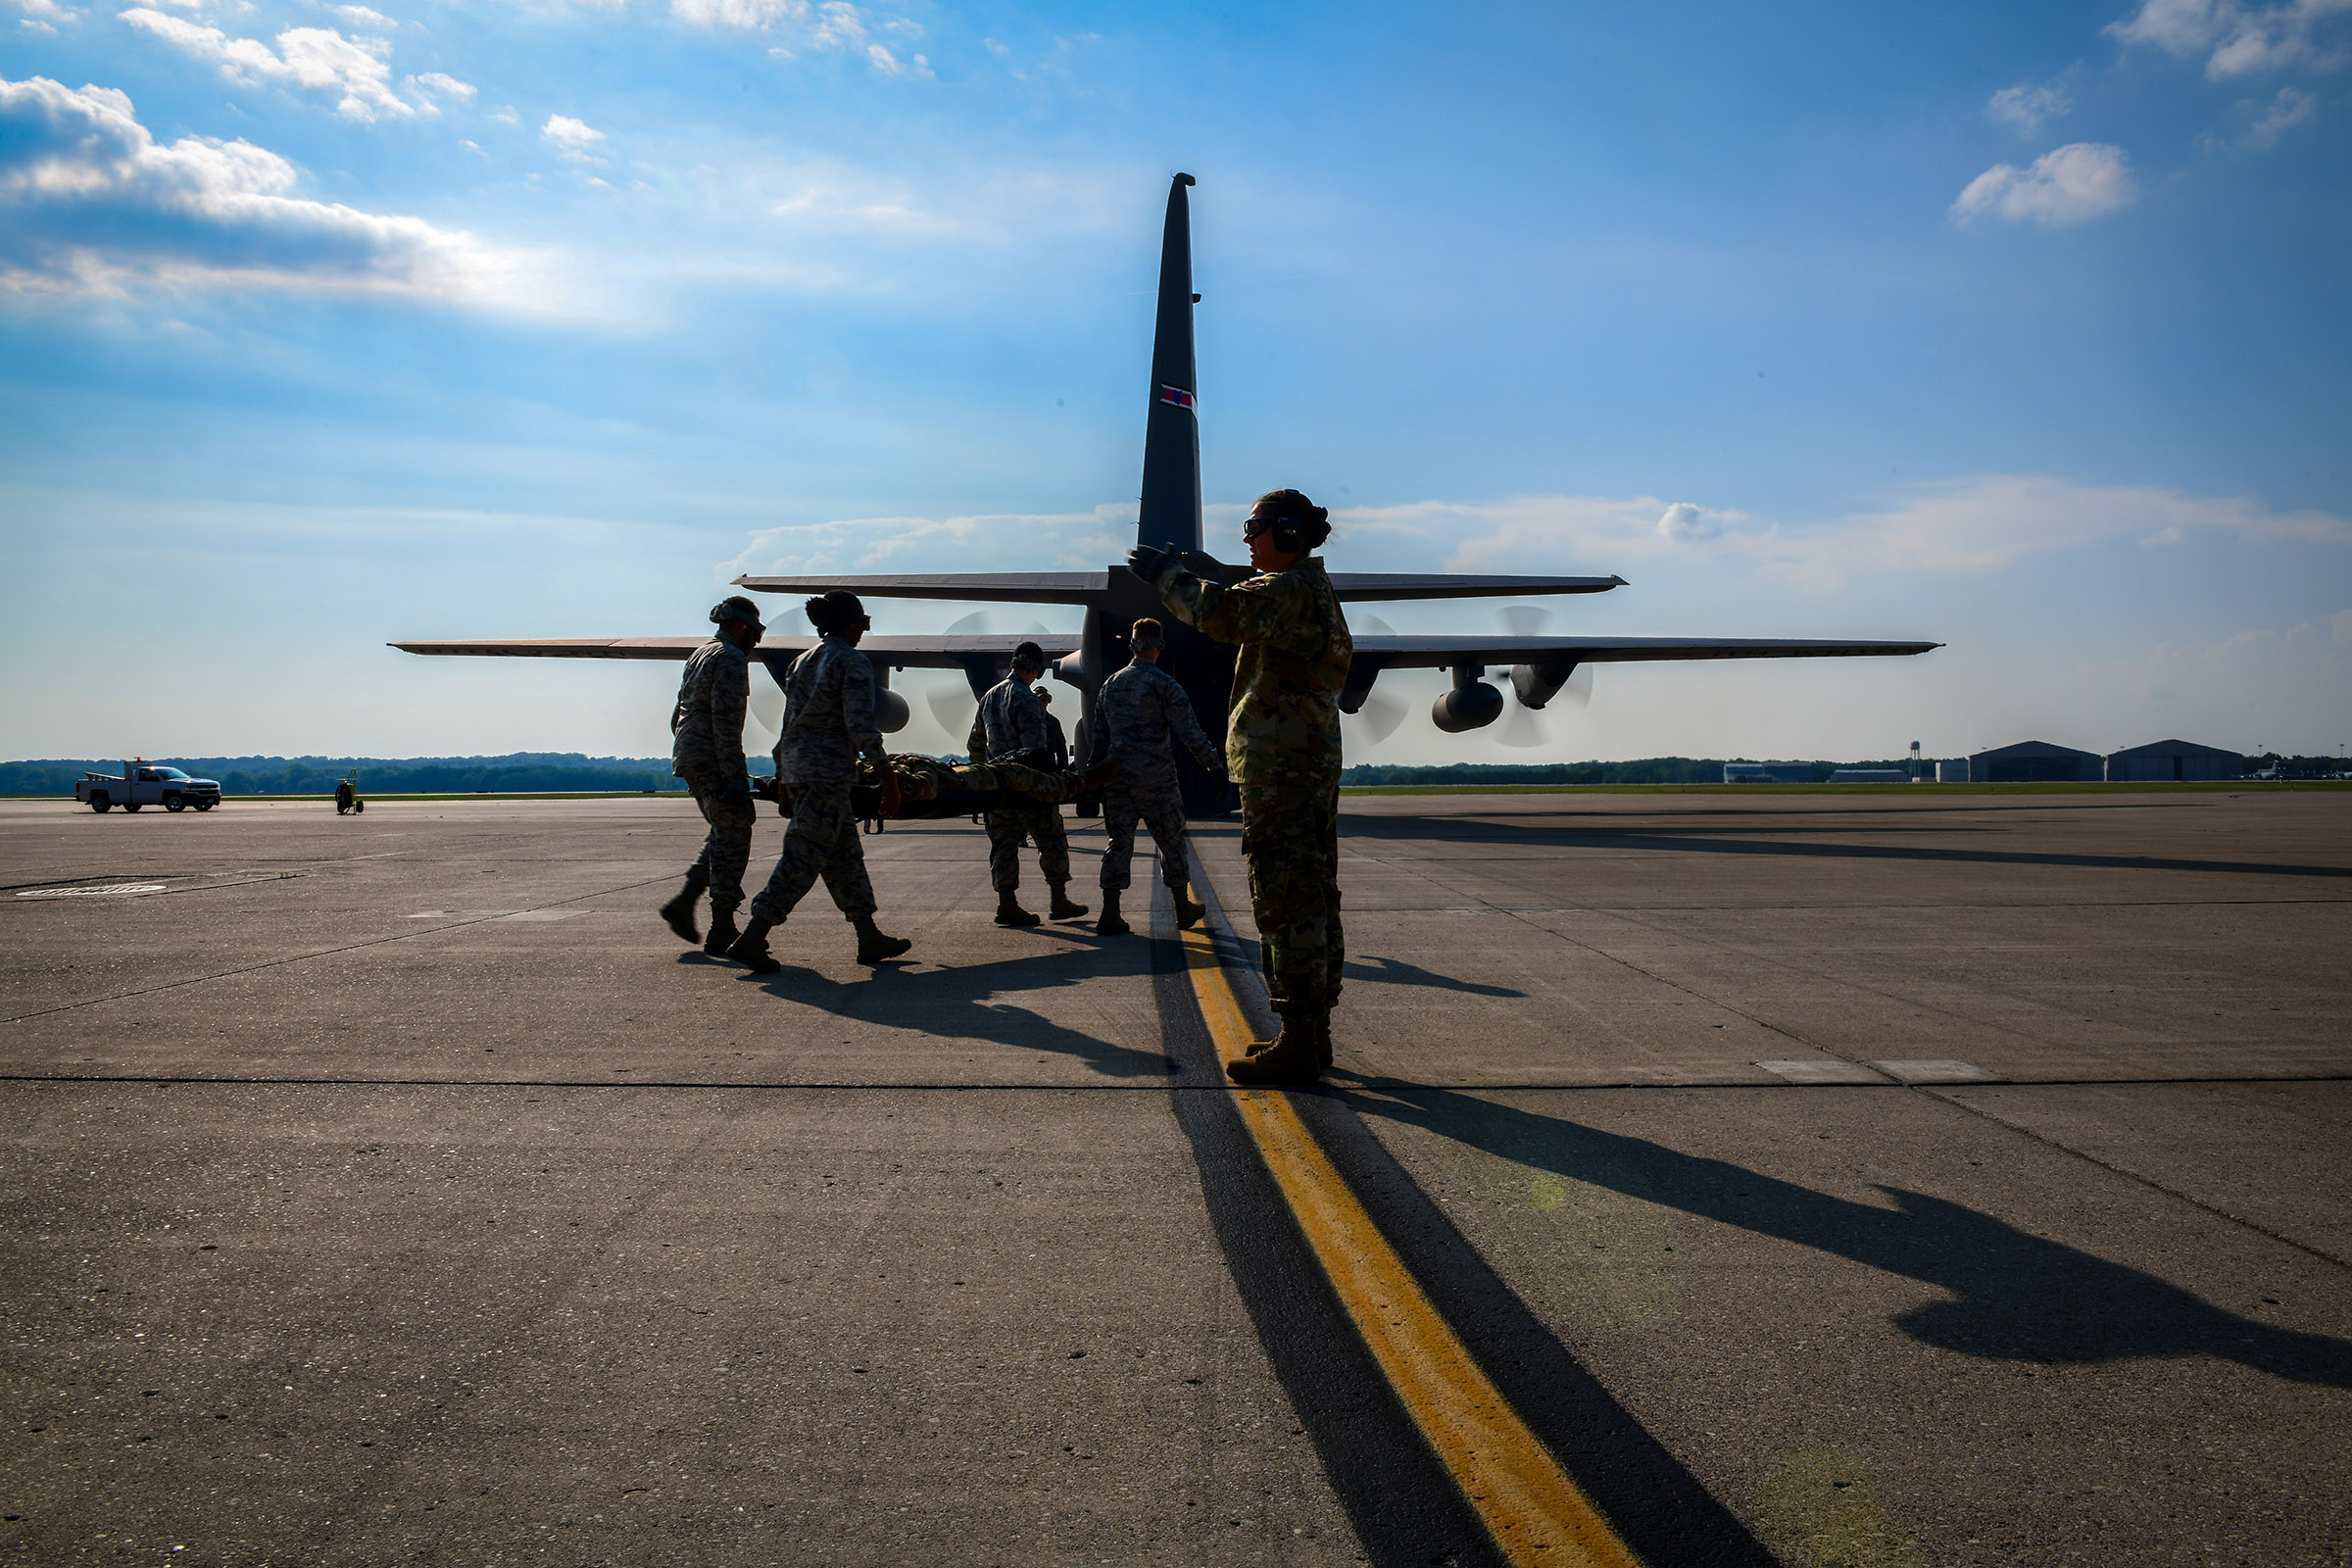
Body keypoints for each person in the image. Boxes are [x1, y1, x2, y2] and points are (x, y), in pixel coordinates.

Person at [1131, 489, 1351, 1084]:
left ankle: (1302, 1038)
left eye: (1255, 527)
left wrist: (1168, 576)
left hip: (1281, 766)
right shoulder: (1310, 593)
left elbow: (1221, 616)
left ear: (1286, 532)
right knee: (1309, 892)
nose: (1248, 538)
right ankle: (1311, 1033)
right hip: (1302, 762)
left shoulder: (1287, 589)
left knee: (1285, 897)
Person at [724, 591, 910, 971]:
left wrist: (784, 781)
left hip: (803, 772)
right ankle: (753, 936)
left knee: (845, 858)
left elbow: (788, 725)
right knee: (802, 858)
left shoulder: (801, 663)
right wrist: (887, 774)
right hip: (826, 776)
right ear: (851, 625)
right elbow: (860, 725)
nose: (863, 633)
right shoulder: (852, 662)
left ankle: (868, 934)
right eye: (862, 625)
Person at [1087, 616, 1221, 936]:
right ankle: (1182, 906)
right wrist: (1213, 764)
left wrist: (1092, 779)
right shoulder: (1164, 685)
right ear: (1159, 646)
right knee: (1171, 842)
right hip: (1156, 780)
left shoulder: (1111, 685)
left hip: (1117, 780)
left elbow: (1099, 738)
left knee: (1118, 843)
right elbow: (1189, 731)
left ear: (1133, 645)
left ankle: (1110, 911)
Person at [661, 595, 763, 956]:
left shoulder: (701, 653)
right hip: (713, 759)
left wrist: (687, 752)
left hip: (691, 755)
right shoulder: (730, 658)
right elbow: (726, 723)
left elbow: (678, 712)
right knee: (736, 831)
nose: (755, 642)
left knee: (724, 830)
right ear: (740, 625)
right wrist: (736, 778)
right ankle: (722, 925)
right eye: (754, 632)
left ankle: (685, 902)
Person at [967, 642, 1088, 927]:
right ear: (1036, 669)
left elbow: (974, 744)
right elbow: (1036, 751)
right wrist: (1051, 788)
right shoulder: (1027, 699)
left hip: (996, 786)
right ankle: (1058, 900)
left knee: (1003, 845)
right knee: (1052, 840)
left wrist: (981, 779)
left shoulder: (989, 697)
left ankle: (1006, 904)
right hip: (1025, 785)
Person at [1035, 686, 1070, 769]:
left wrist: (1063, 770)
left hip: (1049, 764)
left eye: (1044, 700)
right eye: (1039, 699)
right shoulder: (1026, 719)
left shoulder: (1053, 722)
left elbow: (1061, 747)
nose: (1042, 702)